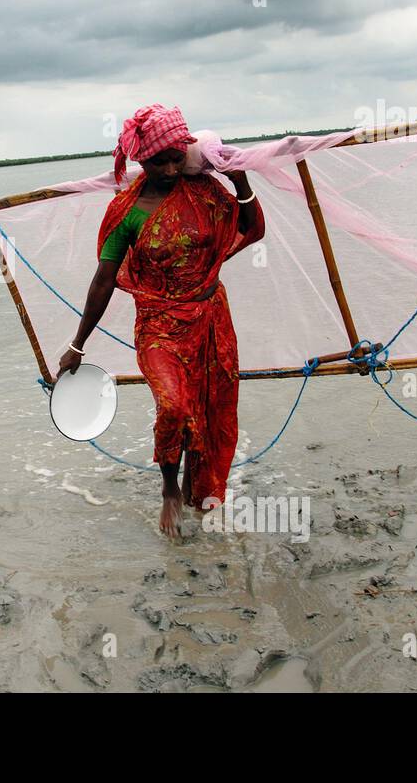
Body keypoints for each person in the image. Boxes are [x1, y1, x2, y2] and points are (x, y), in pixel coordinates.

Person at [56, 104, 265, 540]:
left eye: (176, 157)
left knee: (208, 410)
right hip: (157, 326)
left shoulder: (205, 192)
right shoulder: (126, 212)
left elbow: (252, 228)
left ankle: (196, 483)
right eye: (158, 161)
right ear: (140, 161)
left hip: (209, 317)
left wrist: (239, 178)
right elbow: (104, 279)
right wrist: (77, 345)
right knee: (174, 406)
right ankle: (170, 488)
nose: (170, 169)